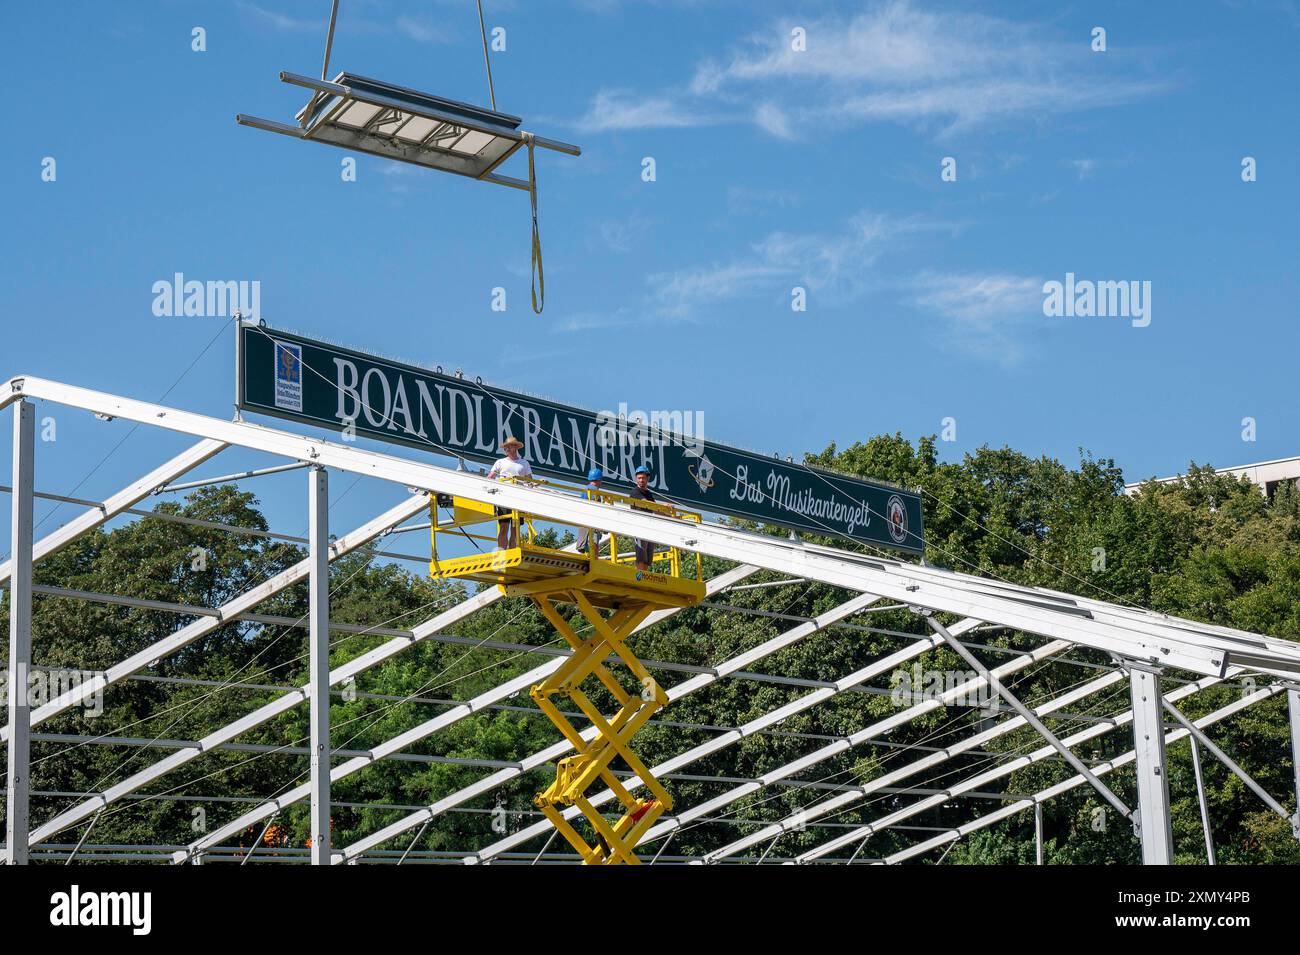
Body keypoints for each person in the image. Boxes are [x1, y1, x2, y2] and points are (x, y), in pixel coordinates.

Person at [486, 435, 532, 548]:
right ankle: (502, 551)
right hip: (504, 497)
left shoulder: (524, 463)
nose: (506, 449)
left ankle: (511, 551)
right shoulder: (500, 462)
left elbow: (530, 480)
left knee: (515, 528)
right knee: (504, 525)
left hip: (518, 498)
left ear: (515, 447)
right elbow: (490, 477)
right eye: (505, 447)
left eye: (509, 446)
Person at [628, 464, 669, 570]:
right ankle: (640, 578)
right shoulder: (635, 492)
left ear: (648, 479)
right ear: (636, 479)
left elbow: (654, 509)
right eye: (639, 478)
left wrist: (670, 515)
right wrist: (663, 506)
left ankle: (645, 578)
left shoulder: (648, 494)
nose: (641, 480)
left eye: (643, 478)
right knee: (641, 556)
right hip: (640, 527)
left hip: (649, 527)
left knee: (647, 558)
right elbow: (647, 504)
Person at [576, 467, 606, 556]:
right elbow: (595, 507)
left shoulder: (585, 489)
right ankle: (594, 559)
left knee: (585, 545)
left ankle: (587, 554)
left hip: (584, 521)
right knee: (594, 544)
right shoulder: (594, 490)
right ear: (599, 479)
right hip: (592, 521)